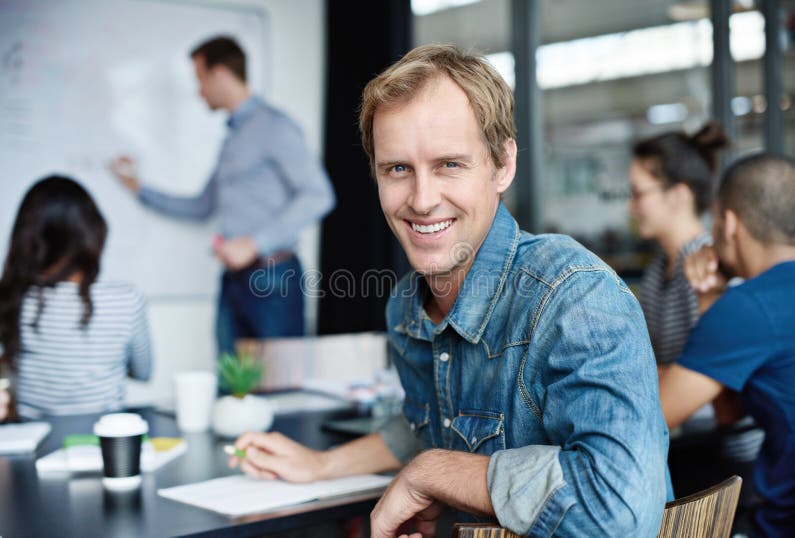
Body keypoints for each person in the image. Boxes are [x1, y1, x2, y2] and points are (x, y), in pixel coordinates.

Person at [228, 44, 670, 536]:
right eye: (398, 169)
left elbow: (618, 511)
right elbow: (428, 425)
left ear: (502, 165)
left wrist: (434, 472)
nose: (421, 199)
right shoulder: (406, 305)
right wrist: (321, 466)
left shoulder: (575, 298)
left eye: (449, 165)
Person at [110, 36, 335, 355]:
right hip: (234, 282)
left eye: (199, 79)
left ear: (219, 73)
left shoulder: (274, 127)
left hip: (273, 279)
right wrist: (139, 189)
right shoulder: (233, 138)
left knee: (280, 391)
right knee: (231, 389)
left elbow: (319, 195)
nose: (198, 91)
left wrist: (254, 243)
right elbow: (202, 206)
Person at [660, 153, 795, 537]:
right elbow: (729, 413)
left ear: (730, 224)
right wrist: (711, 300)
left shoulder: (752, 305)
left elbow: (657, 412)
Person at [0, 176, 152, 417]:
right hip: (105, 438)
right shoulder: (126, 299)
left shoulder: (14, 297)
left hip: (35, 440)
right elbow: (143, 372)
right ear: (92, 233)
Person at [628, 123, 727, 371]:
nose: (630, 207)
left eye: (638, 194)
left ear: (680, 195)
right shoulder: (657, 270)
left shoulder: (711, 269)